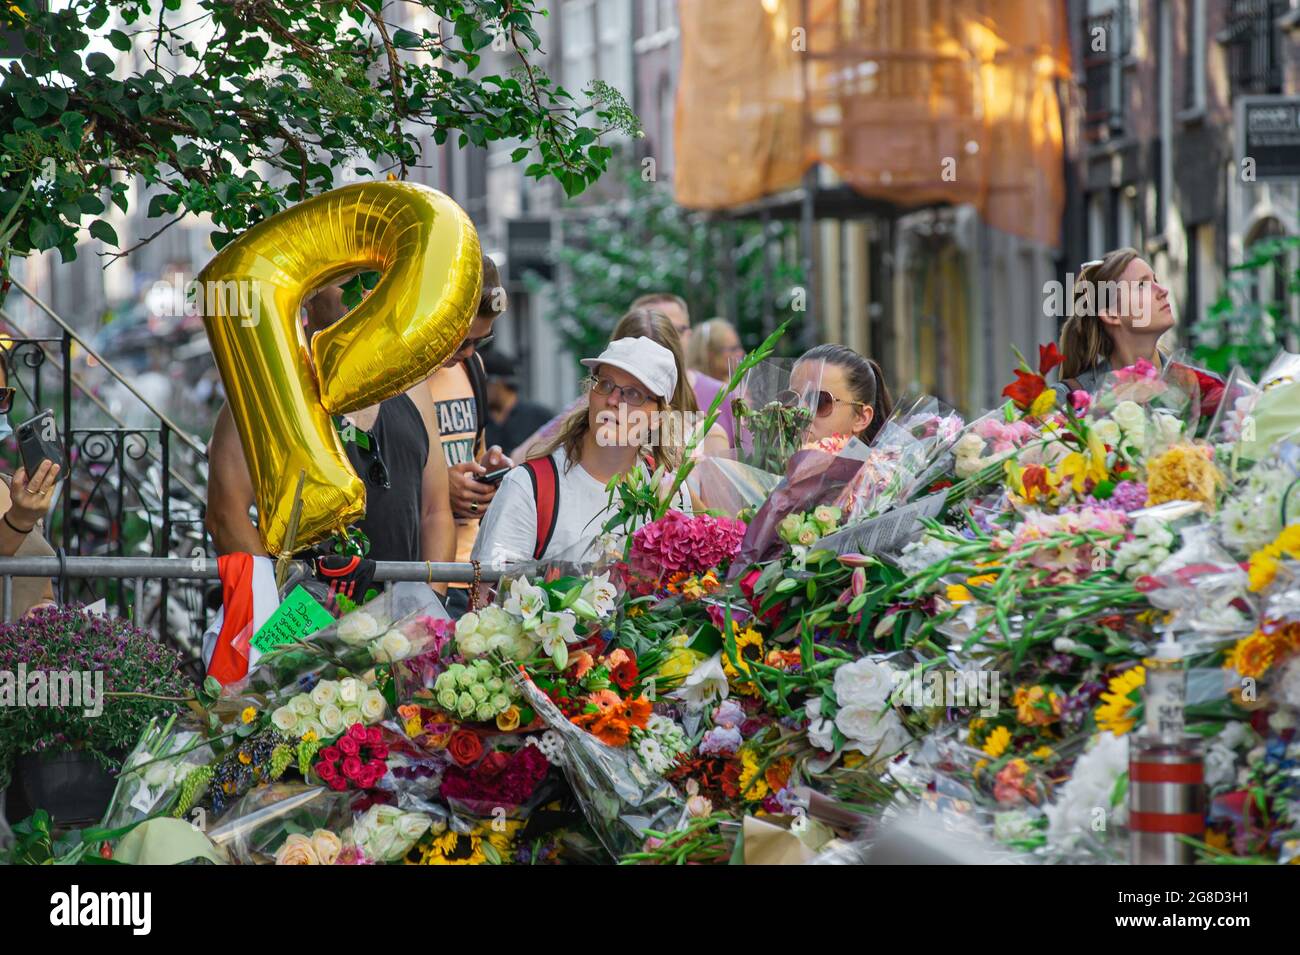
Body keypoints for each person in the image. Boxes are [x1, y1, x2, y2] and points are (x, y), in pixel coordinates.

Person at [205, 285, 455, 574]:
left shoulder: (412, 382)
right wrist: (286, 607)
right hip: (306, 613)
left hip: (402, 613)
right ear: (307, 290)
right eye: (345, 275)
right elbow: (225, 516)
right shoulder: (263, 390)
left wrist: (430, 601)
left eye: (374, 272)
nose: (362, 286)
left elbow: (435, 512)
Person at [472, 336, 691, 574]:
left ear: (657, 417)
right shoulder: (529, 486)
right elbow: (491, 595)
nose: (613, 400)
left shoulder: (670, 491)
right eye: (605, 384)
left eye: (634, 394)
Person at [428, 253, 513, 614]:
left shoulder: (471, 367)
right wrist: (436, 487)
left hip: (469, 571)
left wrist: (486, 470)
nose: (467, 352)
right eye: (461, 340)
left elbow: (470, 451)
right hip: (416, 572)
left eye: (480, 342)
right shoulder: (396, 376)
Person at [630, 293, 737, 444]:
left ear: (689, 335)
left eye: (672, 330)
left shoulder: (725, 397)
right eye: (647, 332)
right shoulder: (603, 400)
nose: (662, 339)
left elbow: (745, 462)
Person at [0, 363, 59, 619]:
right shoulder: (22, 507)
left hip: (23, 658)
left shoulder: (11, 487)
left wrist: (46, 611)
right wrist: (18, 521)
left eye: (0, 396)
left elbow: (41, 591)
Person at [790, 344, 894, 444]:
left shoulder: (883, 462)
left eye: (819, 401)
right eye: (791, 400)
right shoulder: (777, 457)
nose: (798, 411)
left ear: (861, 418)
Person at [482, 349, 554, 456]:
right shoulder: (480, 420)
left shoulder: (539, 416)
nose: (479, 389)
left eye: (483, 383)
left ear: (498, 383)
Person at [688, 317, 746, 386]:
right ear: (710, 353)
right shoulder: (693, 386)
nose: (741, 352)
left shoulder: (737, 386)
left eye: (739, 347)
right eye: (733, 349)